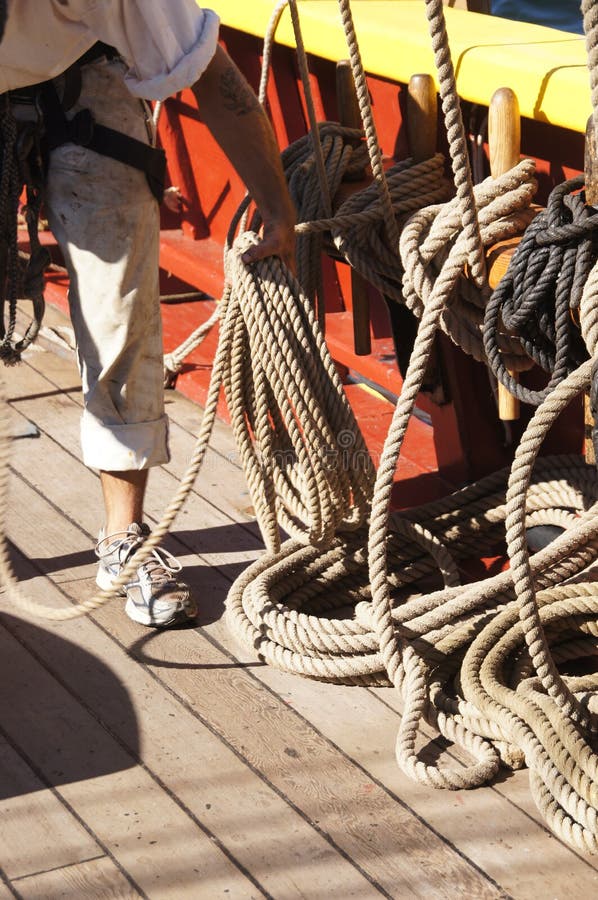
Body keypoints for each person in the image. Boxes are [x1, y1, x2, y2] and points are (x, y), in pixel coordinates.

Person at [0, 1, 296, 627]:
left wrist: (274, 201)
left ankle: (123, 536)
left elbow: (209, 71)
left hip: (83, 76)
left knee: (120, 309)